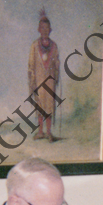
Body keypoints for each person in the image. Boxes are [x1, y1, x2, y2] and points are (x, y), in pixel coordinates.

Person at [28, 9, 60, 142]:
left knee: (49, 106)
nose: (45, 30)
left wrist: (56, 76)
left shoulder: (54, 46)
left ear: (50, 29)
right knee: (40, 105)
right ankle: (40, 131)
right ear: (38, 29)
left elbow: (57, 62)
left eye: (47, 28)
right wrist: (32, 81)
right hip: (39, 81)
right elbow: (31, 65)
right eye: (42, 28)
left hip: (50, 81)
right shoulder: (35, 46)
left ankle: (48, 132)